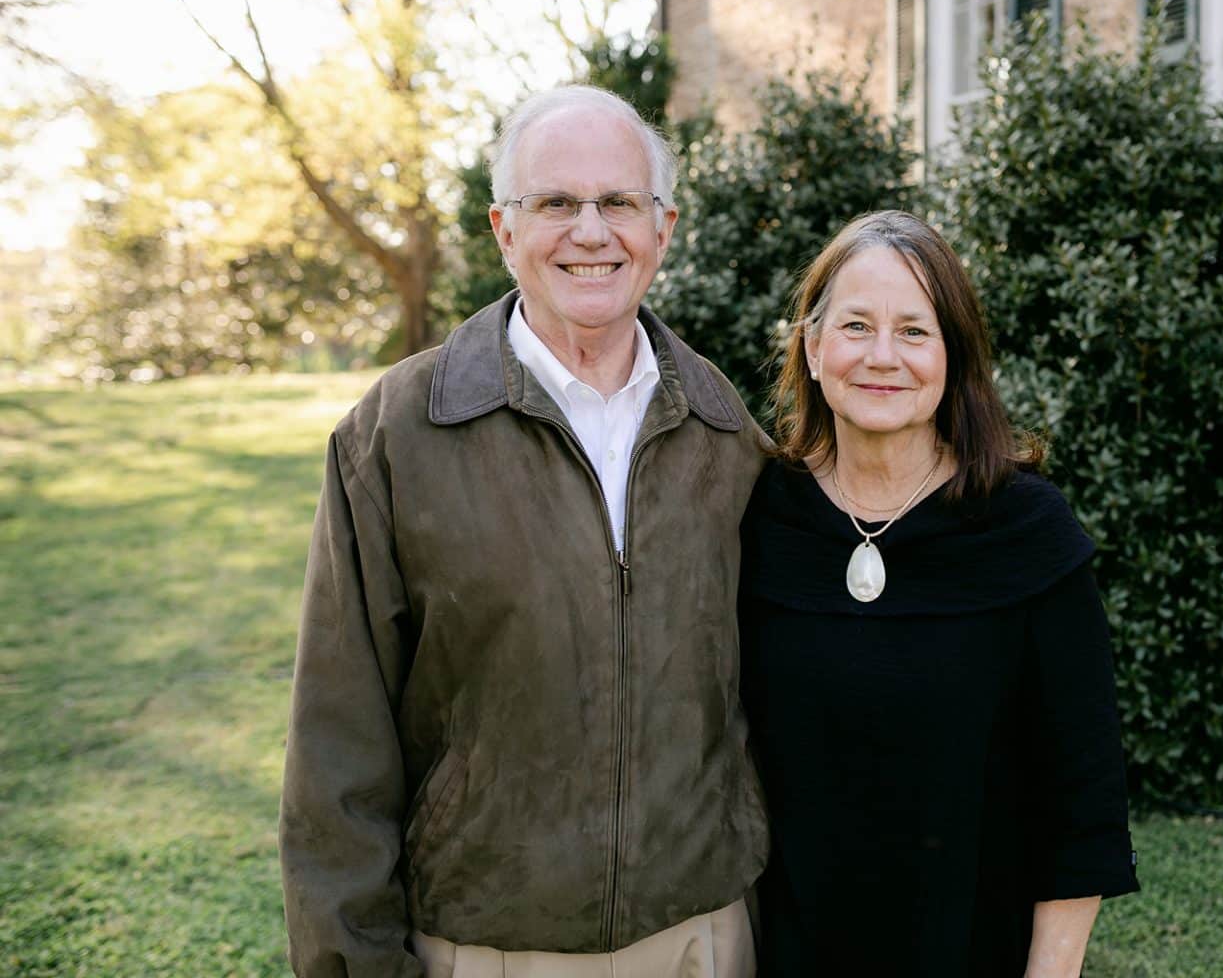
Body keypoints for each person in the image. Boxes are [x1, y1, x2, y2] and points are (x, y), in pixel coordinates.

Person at [279, 85, 768, 978]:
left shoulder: (727, 435)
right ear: (504, 231)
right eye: (556, 203)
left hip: (700, 939)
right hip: (485, 946)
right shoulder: (397, 433)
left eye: (619, 202)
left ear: (663, 229)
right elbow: (335, 743)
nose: (591, 232)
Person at [739, 210, 1139, 977]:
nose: (883, 356)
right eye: (856, 326)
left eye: (915, 332)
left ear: (954, 356)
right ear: (813, 350)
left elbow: (1081, 801)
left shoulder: (1025, 530)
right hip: (786, 954)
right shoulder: (761, 517)